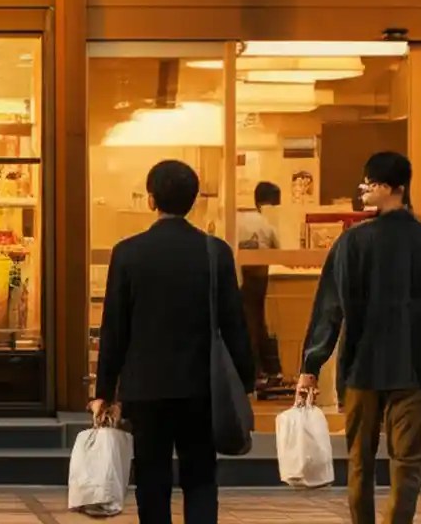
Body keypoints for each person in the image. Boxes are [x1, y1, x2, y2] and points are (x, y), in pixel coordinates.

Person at [90, 160, 255, 524]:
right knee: (200, 477)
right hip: (201, 386)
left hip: (145, 387)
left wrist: (105, 389)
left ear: (151, 199)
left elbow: (114, 327)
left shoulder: (129, 252)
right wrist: (245, 380)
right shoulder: (216, 252)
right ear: (193, 200)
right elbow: (235, 323)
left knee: (152, 478)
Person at [297, 152, 421, 524]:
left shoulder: (353, 243)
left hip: (362, 367)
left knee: (360, 460)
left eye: (368, 183)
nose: (362, 189)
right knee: (407, 460)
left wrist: (311, 365)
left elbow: (329, 308)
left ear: (391, 188)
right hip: (414, 368)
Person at [236, 181, 284, 391]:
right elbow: (280, 250)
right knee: (255, 322)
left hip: (240, 276)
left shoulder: (237, 219)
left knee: (251, 321)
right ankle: (263, 371)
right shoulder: (267, 222)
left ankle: (260, 371)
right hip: (259, 276)